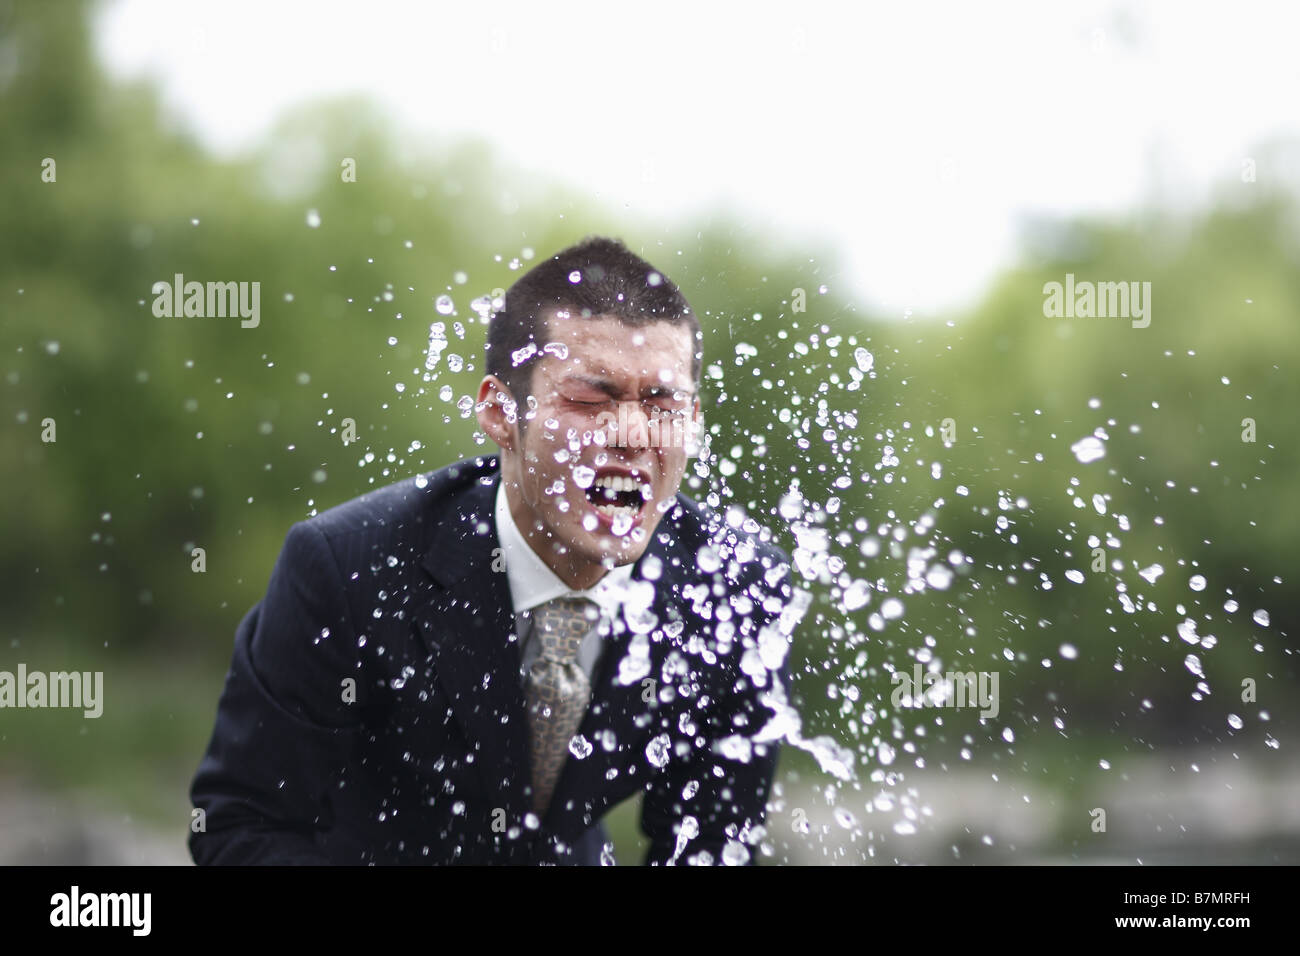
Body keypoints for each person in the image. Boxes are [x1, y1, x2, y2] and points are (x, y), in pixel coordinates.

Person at [188, 235, 803, 865]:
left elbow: (712, 847)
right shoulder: (348, 566)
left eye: (662, 403)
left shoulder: (736, 590)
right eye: (588, 399)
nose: (631, 433)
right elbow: (240, 823)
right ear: (500, 412)